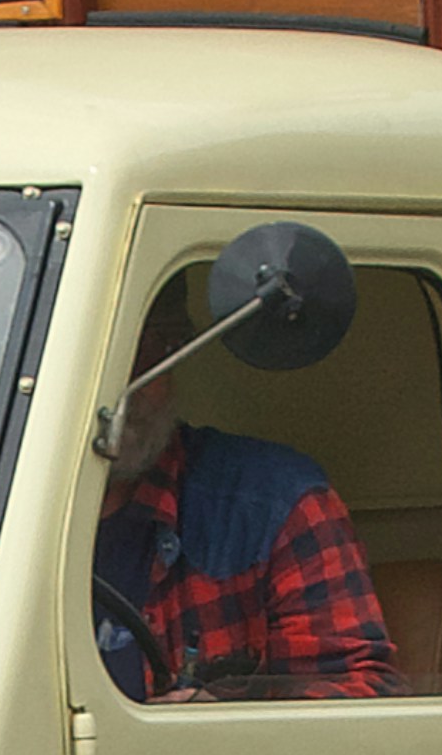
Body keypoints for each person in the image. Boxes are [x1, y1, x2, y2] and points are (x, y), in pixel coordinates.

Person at [93, 278, 395, 703]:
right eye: (95, 363)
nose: (123, 392)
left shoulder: (276, 503)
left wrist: (226, 730)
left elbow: (362, 698)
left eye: (152, 355)